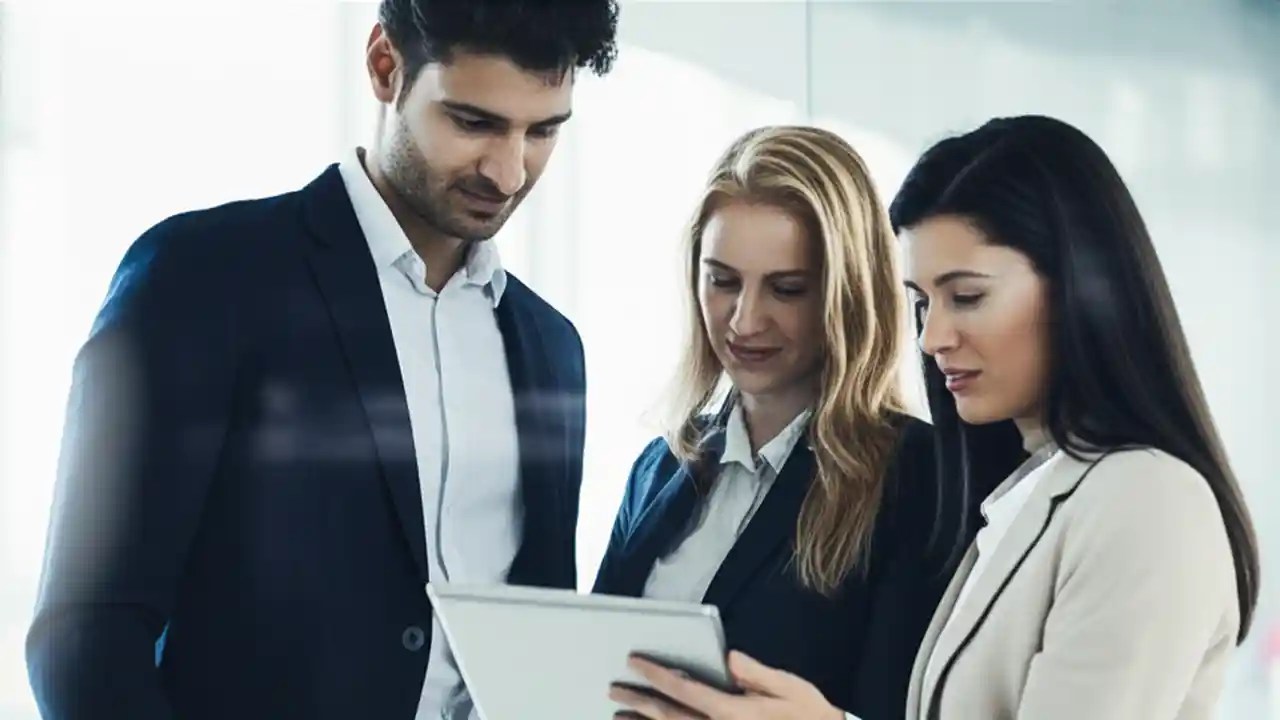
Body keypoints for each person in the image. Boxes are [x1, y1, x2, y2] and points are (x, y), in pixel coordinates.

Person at [25, 2, 618, 719]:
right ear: (384, 65)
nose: (509, 170)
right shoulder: (201, 277)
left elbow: (541, 648)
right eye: (473, 122)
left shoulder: (553, 349)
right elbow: (86, 634)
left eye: (543, 131)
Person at [611, 115, 1261, 720]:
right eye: (923, 302)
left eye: (967, 297)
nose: (929, 338)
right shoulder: (1016, 502)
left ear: (1079, 287)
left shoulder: (1146, 501)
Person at [596, 125, 1002, 720]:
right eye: (723, 281)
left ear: (845, 296)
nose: (745, 320)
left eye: (787, 290)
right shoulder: (661, 467)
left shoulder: (922, 476)